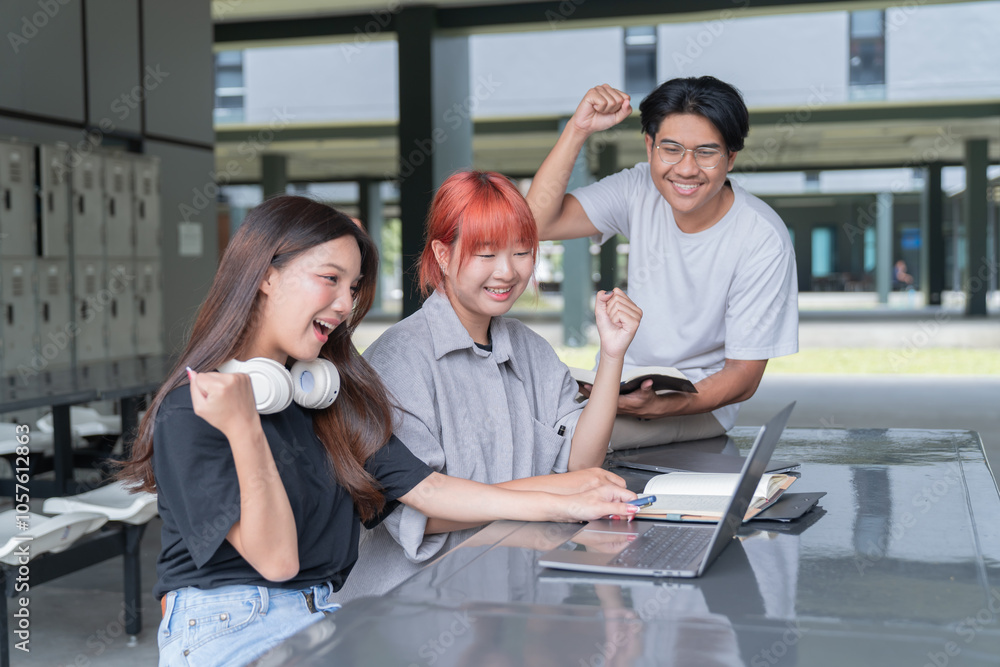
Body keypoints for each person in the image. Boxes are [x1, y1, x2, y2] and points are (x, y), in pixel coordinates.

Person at [119, 195, 639, 667]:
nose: (346, 304)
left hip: (322, 616)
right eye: (330, 279)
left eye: (353, 287)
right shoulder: (196, 410)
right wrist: (246, 431)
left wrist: (566, 506)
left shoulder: (324, 395)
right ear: (266, 275)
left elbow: (428, 489)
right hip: (233, 630)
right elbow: (276, 561)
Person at [335, 171, 643, 602]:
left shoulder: (530, 349)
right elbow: (420, 511)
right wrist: (556, 497)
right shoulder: (398, 360)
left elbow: (581, 465)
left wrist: (612, 356)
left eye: (522, 252)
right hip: (418, 601)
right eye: (486, 253)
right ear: (442, 254)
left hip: (513, 590)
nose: (507, 271)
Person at [526, 78, 799, 448]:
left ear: (731, 158)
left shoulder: (762, 238)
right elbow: (538, 223)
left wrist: (663, 405)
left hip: (695, 403)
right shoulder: (638, 187)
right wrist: (578, 130)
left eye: (706, 152)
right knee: (512, 415)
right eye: (671, 149)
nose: (686, 169)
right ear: (649, 146)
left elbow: (743, 376)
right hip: (615, 384)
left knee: (561, 440)